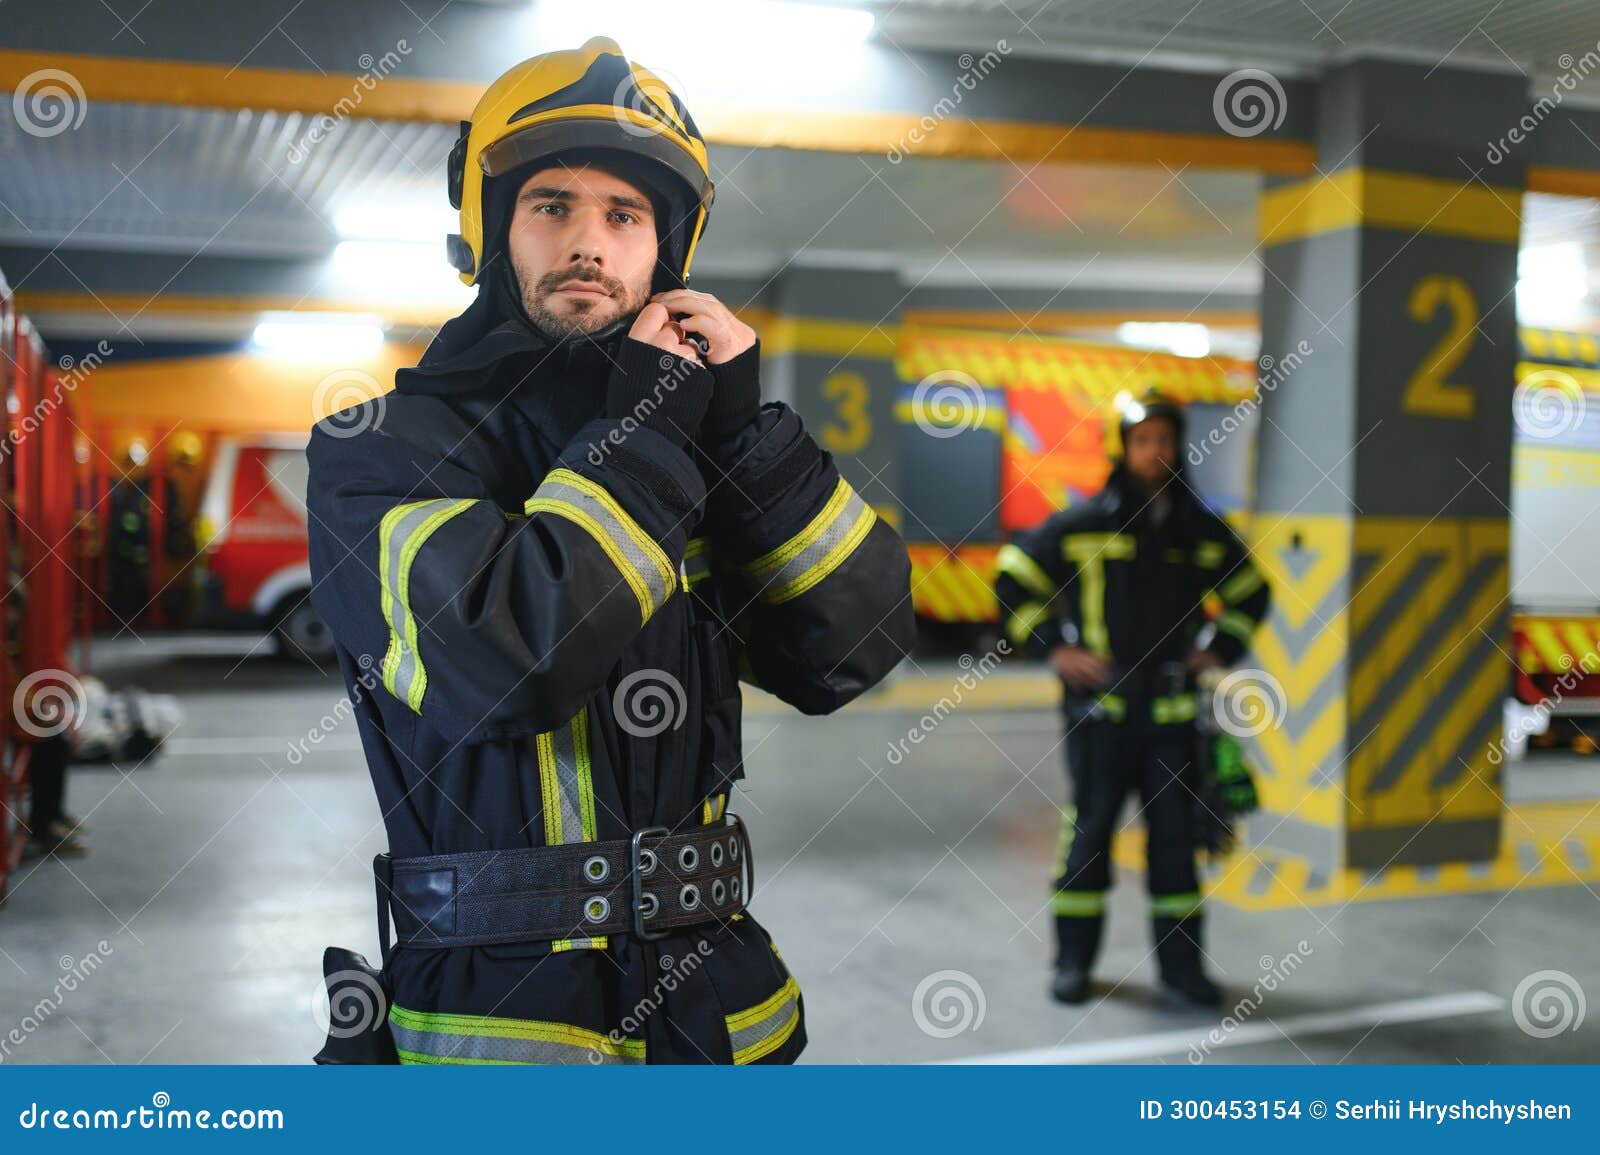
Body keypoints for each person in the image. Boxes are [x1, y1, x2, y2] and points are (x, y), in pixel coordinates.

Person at [305, 38, 914, 1064]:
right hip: (501, 1033)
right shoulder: (379, 451)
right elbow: (509, 666)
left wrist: (743, 444)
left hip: (722, 1017)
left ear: (664, 254)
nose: (590, 241)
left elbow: (852, 653)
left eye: (625, 215)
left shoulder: (696, 453)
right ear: (490, 230)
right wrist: (643, 444)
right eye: (552, 206)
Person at [993, 388, 1270, 1008]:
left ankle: (1182, 973)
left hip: (1173, 721)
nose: (1155, 452)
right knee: (1087, 840)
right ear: (1123, 448)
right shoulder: (1083, 525)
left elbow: (1252, 591)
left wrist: (1220, 648)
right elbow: (1013, 574)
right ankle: (1072, 965)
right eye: (1143, 441)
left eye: (1165, 440)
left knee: (1175, 848)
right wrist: (1054, 648)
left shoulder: (1201, 531)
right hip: (1101, 719)